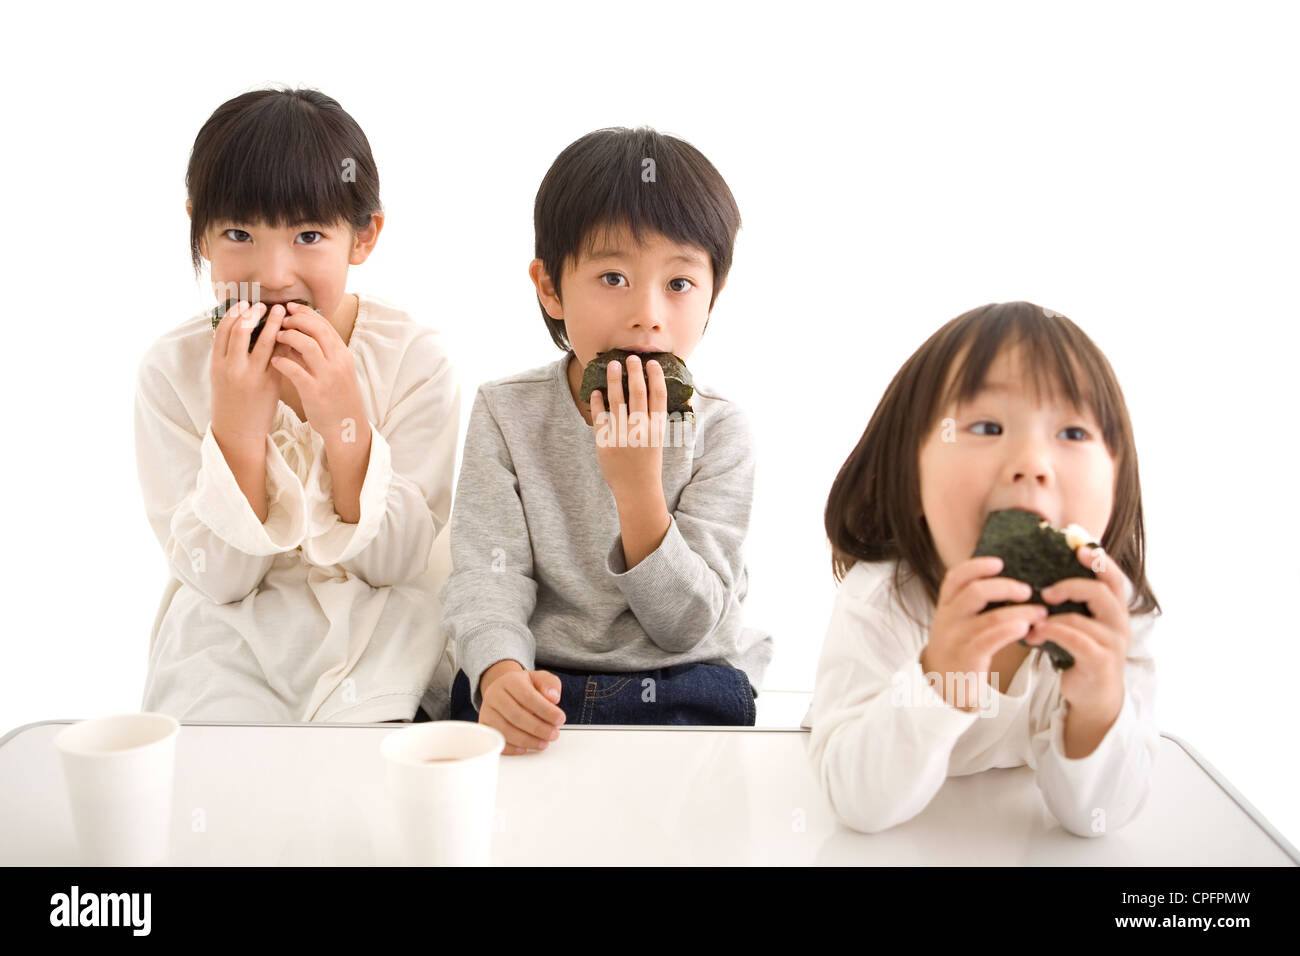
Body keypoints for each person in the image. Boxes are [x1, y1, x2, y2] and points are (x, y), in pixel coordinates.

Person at [440, 127, 772, 753]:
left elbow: (687, 625)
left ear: (713, 296)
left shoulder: (721, 431)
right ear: (550, 287)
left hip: (681, 679)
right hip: (546, 675)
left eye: (678, 284)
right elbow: (488, 579)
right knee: (465, 697)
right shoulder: (506, 412)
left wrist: (637, 489)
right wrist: (501, 674)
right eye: (613, 277)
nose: (647, 312)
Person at [135, 88, 459, 722]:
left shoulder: (415, 359)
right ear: (200, 231)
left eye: (309, 235)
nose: (275, 272)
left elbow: (393, 565)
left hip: (378, 636)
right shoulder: (171, 370)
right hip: (224, 642)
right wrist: (236, 429)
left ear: (363, 237)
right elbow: (220, 579)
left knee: (370, 764)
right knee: (228, 774)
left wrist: (344, 419)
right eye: (238, 234)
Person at [810, 301, 1160, 836]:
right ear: (912, 475)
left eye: (1072, 433)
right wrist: (941, 675)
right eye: (988, 425)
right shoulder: (883, 598)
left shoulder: (1115, 616)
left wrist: (1098, 703)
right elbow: (857, 805)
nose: (1032, 464)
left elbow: (1096, 821)